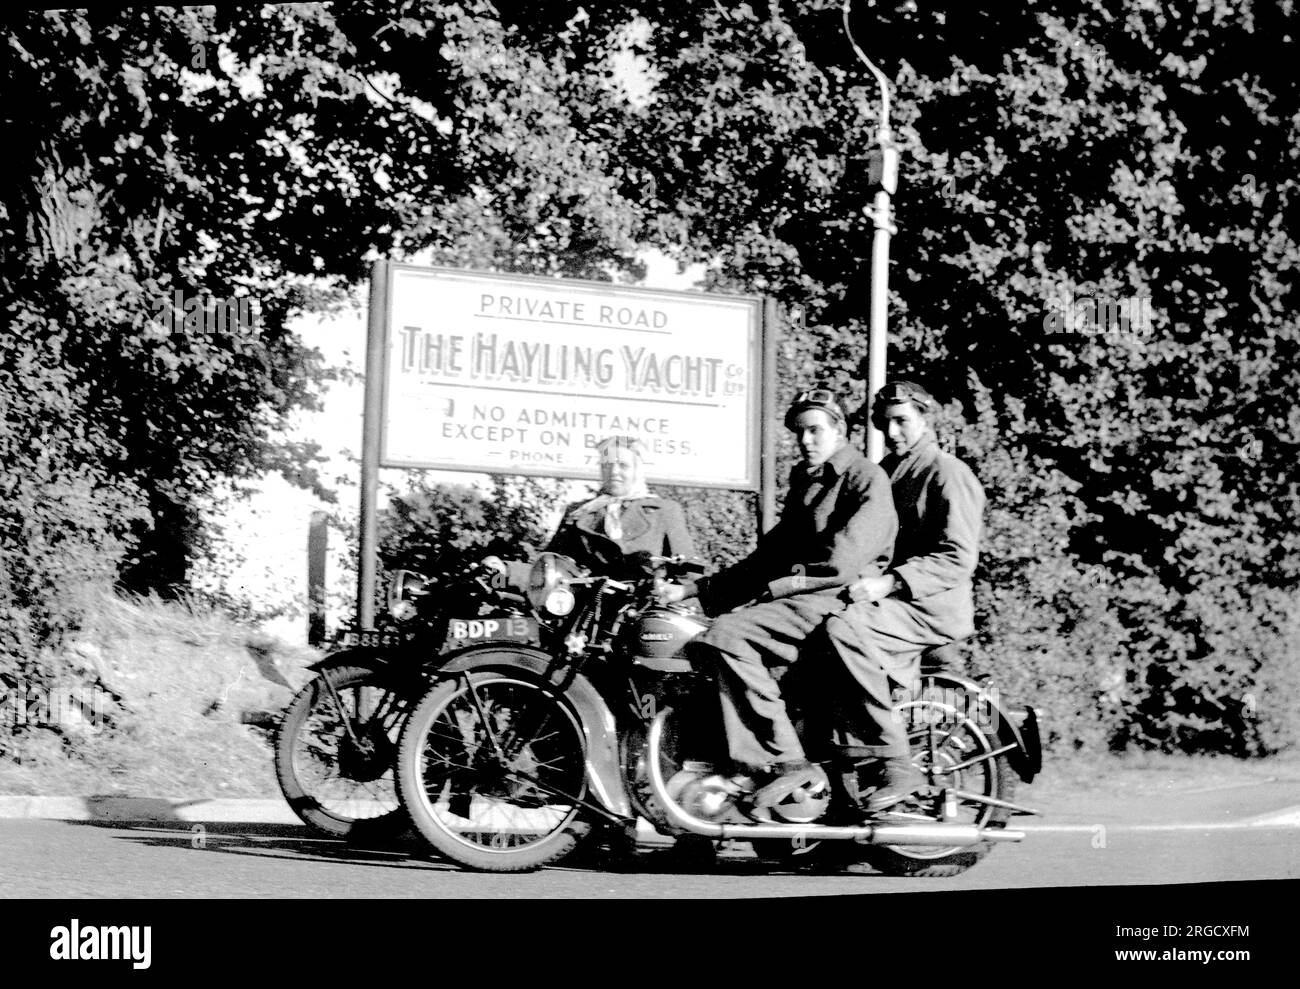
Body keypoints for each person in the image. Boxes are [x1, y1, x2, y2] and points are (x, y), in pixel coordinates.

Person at [656, 386, 897, 815]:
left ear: (839, 430)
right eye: (798, 432)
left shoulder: (864, 478)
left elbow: (841, 562)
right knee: (705, 636)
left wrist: (780, 587)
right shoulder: (807, 481)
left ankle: (780, 760)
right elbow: (768, 559)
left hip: (835, 599)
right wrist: (697, 589)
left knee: (727, 636)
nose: (805, 440)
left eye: (815, 430)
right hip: (803, 599)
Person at [819, 380, 987, 813]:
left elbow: (957, 557)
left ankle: (891, 755)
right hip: (890, 599)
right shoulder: (886, 471)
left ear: (925, 420)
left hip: (927, 606)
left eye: (902, 421)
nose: (893, 432)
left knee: (844, 630)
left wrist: (890, 582)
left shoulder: (947, 472)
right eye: (885, 423)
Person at [502, 435, 696, 584]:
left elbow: (688, 572)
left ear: (638, 470)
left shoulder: (664, 511)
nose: (614, 472)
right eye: (607, 465)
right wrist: (507, 570)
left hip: (641, 615)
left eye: (623, 466)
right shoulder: (580, 512)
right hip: (585, 616)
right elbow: (549, 566)